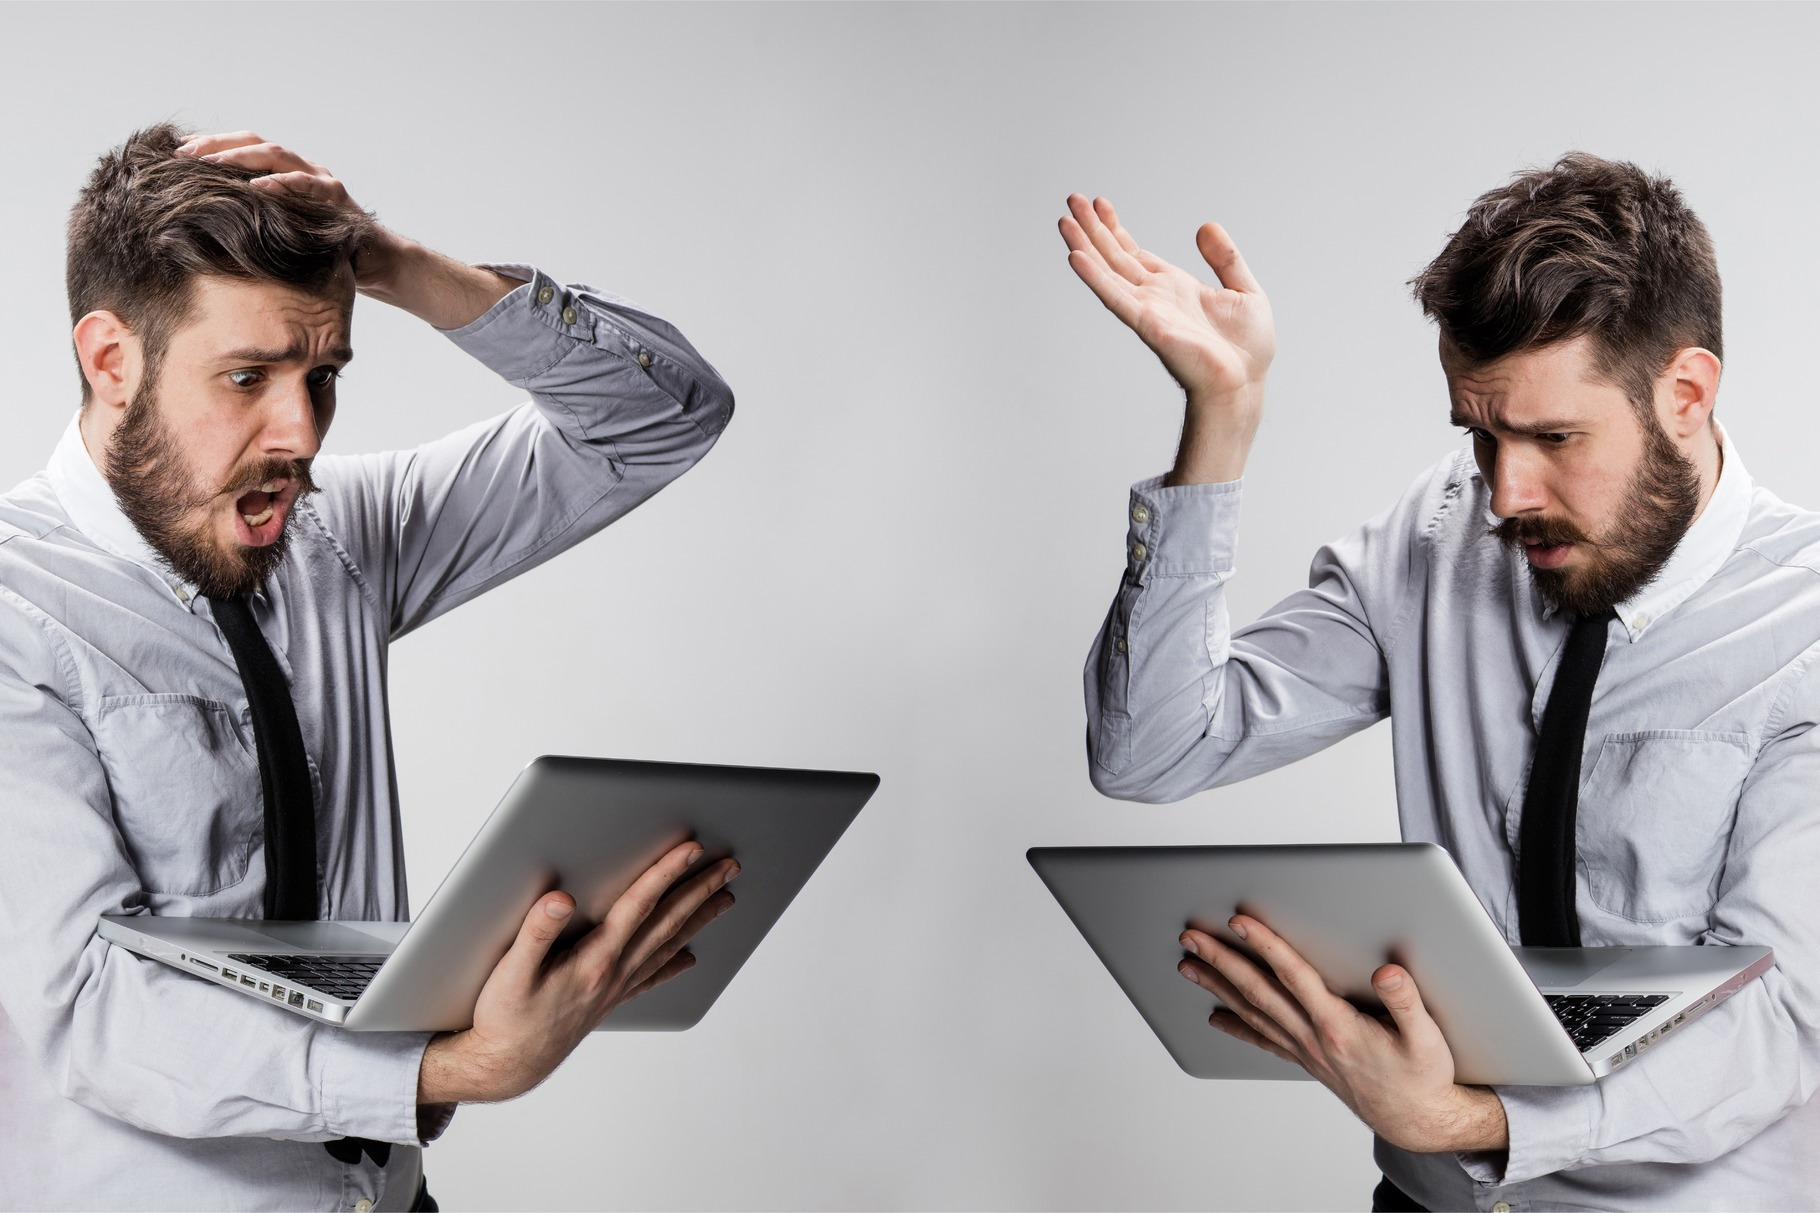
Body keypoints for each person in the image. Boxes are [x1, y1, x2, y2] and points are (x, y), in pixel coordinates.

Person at [0, 125, 739, 1211]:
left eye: (324, 374)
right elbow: (85, 1009)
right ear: (112, 360)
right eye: (247, 376)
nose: (298, 432)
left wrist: (391, 263)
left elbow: (660, 418)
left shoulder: (339, 532)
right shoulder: (15, 614)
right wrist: (452, 1068)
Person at [1062, 155, 1820, 1209]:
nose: (1505, 492)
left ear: (1683, 393)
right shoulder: (1438, 535)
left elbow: (1781, 1024)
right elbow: (1151, 749)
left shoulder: (1805, 631)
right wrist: (1221, 416)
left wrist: (1470, 1121)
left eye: (1553, 437)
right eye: (1478, 433)